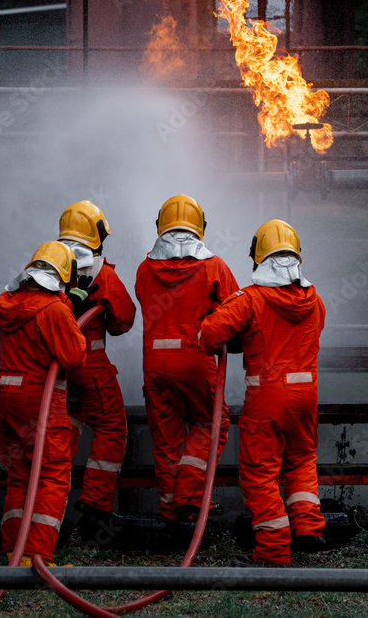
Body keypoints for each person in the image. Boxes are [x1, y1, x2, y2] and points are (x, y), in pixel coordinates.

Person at [198, 219, 327, 567]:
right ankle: (308, 528)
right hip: (306, 398)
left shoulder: (250, 299)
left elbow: (209, 337)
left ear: (258, 257)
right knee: (301, 461)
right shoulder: (315, 301)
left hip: (267, 400)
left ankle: (273, 551)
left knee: (260, 473)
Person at [135, 194, 239, 522]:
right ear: (201, 227)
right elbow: (235, 314)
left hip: (154, 363)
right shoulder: (214, 266)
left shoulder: (145, 268)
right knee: (211, 423)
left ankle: (171, 509)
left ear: (159, 226)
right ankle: (190, 498)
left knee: (166, 439)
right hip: (195, 359)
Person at [0, 241, 86, 566]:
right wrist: (71, 308)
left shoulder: (7, 303)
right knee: (52, 475)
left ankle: (14, 551)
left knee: (20, 476)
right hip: (39, 405)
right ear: (64, 275)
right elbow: (74, 357)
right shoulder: (54, 310)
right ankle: (38, 557)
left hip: (7, 400)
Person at [56, 200, 137, 541]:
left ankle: (51, 507)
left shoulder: (49, 265)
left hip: (58, 369)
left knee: (62, 433)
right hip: (90, 366)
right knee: (112, 429)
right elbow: (124, 320)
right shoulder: (101, 273)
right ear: (98, 236)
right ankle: (95, 505)